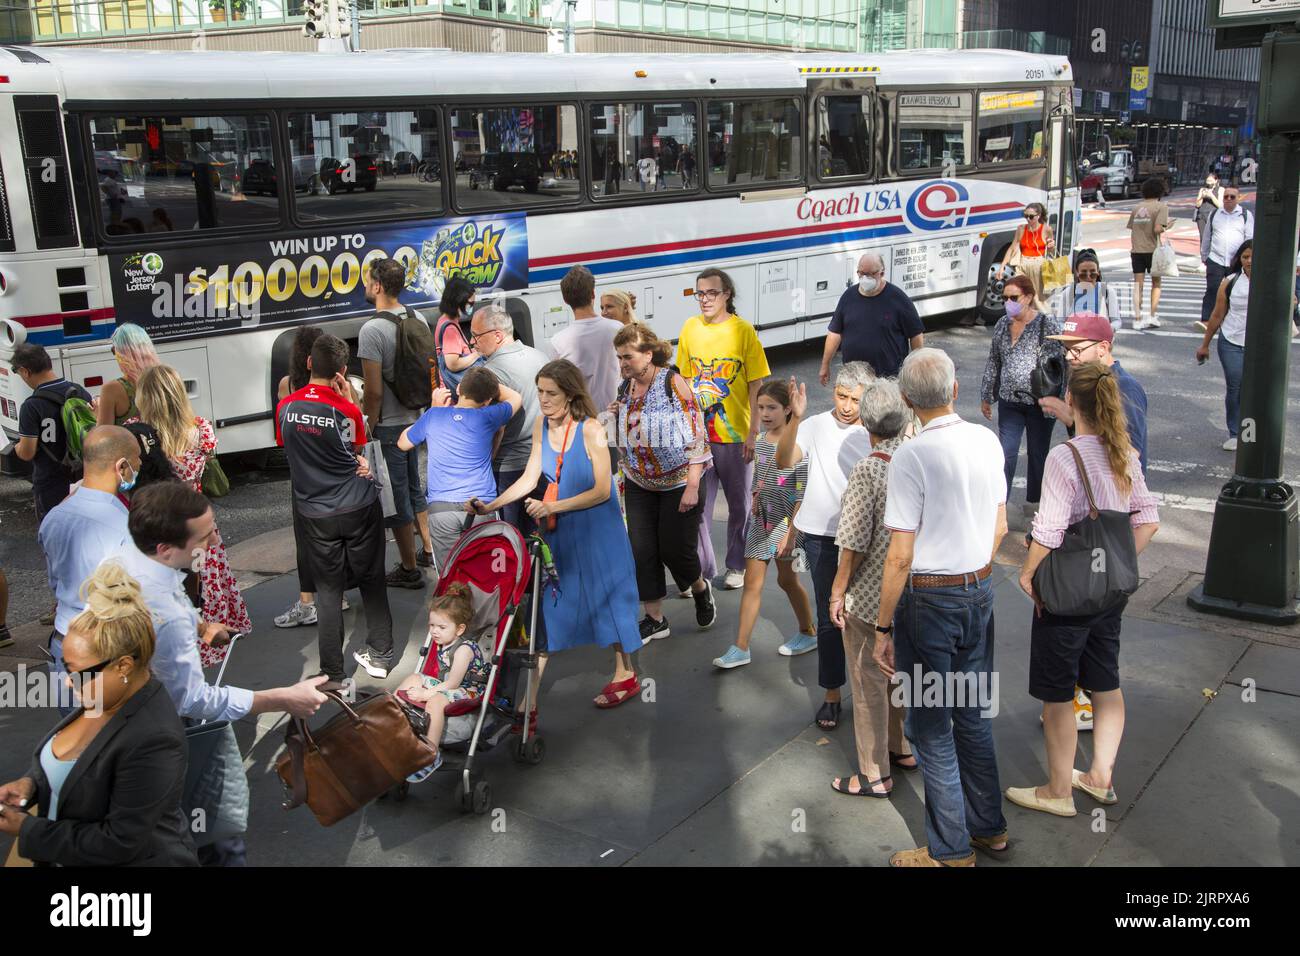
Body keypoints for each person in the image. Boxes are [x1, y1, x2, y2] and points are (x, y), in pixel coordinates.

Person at [115, 481, 329, 867]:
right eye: (205, 535)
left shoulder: (128, 557)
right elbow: (193, 699)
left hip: (129, 729)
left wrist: (201, 625)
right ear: (165, 548)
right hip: (161, 737)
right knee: (213, 831)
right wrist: (283, 697)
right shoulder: (168, 613)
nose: (216, 541)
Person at [873, 348, 1009, 867]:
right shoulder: (986, 439)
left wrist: (884, 625)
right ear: (954, 391)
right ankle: (988, 828)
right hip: (978, 590)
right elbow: (999, 527)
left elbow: (899, 556)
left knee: (931, 727)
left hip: (929, 601)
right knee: (972, 715)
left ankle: (950, 850)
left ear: (907, 401)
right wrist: (973, 572)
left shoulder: (911, 456)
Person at [1008, 362, 1160, 819]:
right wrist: (1117, 564)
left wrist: (1027, 572)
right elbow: (1148, 520)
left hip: (1068, 595)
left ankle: (1058, 790)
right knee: (1105, 683)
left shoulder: (1065, 456)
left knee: (1058, 695)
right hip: (1109, 595)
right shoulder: (1124, 453)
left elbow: (1050, 530)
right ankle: (1099, 777)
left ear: (1070, 401)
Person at [470, 360, 644, 707]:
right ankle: (528, 703)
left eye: (552, 393)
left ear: (570, 393)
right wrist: (491, 506)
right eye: (540, 393)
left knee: (609, 601)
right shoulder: (539, 425)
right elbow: (531, 477)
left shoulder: (592, 428)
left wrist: (552, 508)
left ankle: (626, 673)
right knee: (553, 609)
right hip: (560, 531)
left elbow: (601, 491)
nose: (544, 399)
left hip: (598, 530)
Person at [0, 562, 198, 867]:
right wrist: (32, 785)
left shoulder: (155, 738)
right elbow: (74, 768)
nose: (68, 681)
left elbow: (119, 843)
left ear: (122, 666)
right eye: (65, 667)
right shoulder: (103, 694)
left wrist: (27, 828)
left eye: (75, 671)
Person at [277, 333, 395, 683]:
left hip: (315, 511)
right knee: (372, 579)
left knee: (328, 590)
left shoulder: (287, 406)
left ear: (310, 363)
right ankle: (381, 652)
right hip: (358, 506)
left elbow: (287, 445)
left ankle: (331, 669)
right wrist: (351, 400)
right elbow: (360, 448)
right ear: (343, 370)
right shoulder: (346, 409)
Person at [775, 363, 875, 729]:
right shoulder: (815, 425)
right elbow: (784, 460)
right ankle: (832, 694)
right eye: (841, 396)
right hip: (820, 536)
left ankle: (869, 693)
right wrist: (794, 420)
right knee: (829, 616)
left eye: (856, 399)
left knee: (866, 618)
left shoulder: (878, 431)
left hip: (865, 538)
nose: (847, 406)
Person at [828, 377, 916, 796]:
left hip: (869, 595)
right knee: (898, 672)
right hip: (912, 590)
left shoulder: (869, 468)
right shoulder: (916, 459)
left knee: (866, 683)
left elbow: (853, 543)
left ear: (866, 423)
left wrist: (837, 590)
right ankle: (902, 748)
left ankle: (873, 773)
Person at [135, 364, 250, 668]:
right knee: (199, 578)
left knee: (164, 583)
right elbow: (208, 459)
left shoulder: (140, 433)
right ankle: (207, 629)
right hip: (197, 522)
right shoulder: (201, 428)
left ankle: (172, 638)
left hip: (159, 522)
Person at [612, 322, 716, 645]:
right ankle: (655, 619)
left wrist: (693, 486)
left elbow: (698, 437)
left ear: (648, 354)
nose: (623, 363)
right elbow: (623, 434)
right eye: (619, 357)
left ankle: (699, 587)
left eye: (628, 356)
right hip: (640, 482)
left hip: (678, 482)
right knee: (642, 550)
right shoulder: (624, 388)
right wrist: (615, 417)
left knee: (676, 551)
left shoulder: (674, 383)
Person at [678, 267, 771, 590]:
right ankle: (703, 570)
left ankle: (736, 564)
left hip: (735, 436)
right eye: (699, 293)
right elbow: (686, 382)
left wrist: (753, 432)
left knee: (740, 505)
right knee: (698, 507)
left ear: (727, 295)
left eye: (711, 293)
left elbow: (757, 383)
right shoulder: (690, 328)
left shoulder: (743, 331)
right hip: (700, 437)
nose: (704, 299)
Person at [711, 380, 813, 670]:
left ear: (788, 409)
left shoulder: (796, 445)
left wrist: (791, 534)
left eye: (772, 407)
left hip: (785, 524)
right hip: (761, 521)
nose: (765, 413)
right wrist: (755, 495)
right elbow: (761, 475)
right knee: (752, 585)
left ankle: (808, 631)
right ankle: (740, 648)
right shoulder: (764, 439)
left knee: (787, 580)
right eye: (760, 407)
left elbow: (801, 492)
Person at [38, 426, 139, 712]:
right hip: (106, 650)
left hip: (64, 643)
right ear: (121, 466)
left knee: (77, 743)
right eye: (137, 462)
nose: (139, 468)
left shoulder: (54, 516)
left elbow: (55, 579)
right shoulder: (122, 525)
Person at [398, 366, 522, 572]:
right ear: (488, 400)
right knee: (485, 577)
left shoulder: (433, 416)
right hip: (481, 504)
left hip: (441, 509)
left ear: (458, 391)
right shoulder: (489, 416)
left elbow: (403, 443)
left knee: (450, 579)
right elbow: (516, 397)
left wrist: (434, 408)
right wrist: (487, 387)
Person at [358, 257, 432, 589]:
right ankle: (428, 549)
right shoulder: (419, 319)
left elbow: (372, 391)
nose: (364, 286)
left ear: (377, 286)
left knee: (395, 497)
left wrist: (369, 426)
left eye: (366, 281)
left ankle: (408, 568)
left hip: (388, 426)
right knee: (416, 489)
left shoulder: (372, 330)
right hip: (416, 419)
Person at [273, 325, 348, 629]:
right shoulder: (338, 386)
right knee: (335, 537)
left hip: (303, 474)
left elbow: (282, 437)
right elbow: (352, 429)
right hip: (335, 473)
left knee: (305, 539)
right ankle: (337, 595)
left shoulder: (287, 386)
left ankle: (307, 603)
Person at [980, 274, 1063, 519]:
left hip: (1040, 403)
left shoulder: (1046, 324)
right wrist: (987, 395)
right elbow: (994, 361)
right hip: (1010, 401)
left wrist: (1062, 398)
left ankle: (1035, 507)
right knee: (1006, 453)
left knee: (1038, 454)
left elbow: (1060, 364)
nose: (1008, 302)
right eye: (1005, 297)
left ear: (1028, 297)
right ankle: (1000, 506)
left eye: (1014, 298)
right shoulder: (1002, 325)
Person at [395, 583, 492, 777]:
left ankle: (431, 752)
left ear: (459, 629)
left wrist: (426, 693)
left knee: (436, 700)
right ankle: (389, 718)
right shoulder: (444, 642)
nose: (434, 631)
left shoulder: (464, 649)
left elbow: (453, 684)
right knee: (414, 677)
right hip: (449, 684)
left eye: (441, 627)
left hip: (468, 689)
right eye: (432, 625)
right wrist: (423, 686)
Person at [470, 304, 549, 534]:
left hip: (509, 467)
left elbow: (496, 429)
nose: (473, 342)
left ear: (497, 335)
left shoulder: (491, 372)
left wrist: (485, 463)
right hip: (543, 461)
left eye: (476, 336)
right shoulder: (540, 356)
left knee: (515, 541)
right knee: (545, 536)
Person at [1043, 312, 1149, 474]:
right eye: (1066, 349)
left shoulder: (1126, 387)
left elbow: (1130, 454)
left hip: (1114, 492)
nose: (1069, 356)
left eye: (1077, 350)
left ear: (1103, 348)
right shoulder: (1083, 381)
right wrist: (1072, 420)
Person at [11, 342, 92, 523]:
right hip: (84, 476)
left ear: (25, 371)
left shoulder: (32, 406)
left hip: (50, 482)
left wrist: (16, 447)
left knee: (54, 533)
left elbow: (27, 452)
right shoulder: (78, 390)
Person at [819, 252, 924, 385]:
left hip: (886, 380)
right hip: (854, 377)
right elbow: (835, 332)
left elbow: (916, 334)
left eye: (870, 274)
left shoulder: (897, 298)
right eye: (861, 273)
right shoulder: (848, 297)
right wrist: (825, 364)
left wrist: (916, 368)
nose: (865, 278)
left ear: (882, 273)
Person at [1196, 240, 1252, 452]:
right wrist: (1205, 345)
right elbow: (1218, 314)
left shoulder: (1269, 279)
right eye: (1245, 256)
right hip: (1231, 341)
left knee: (1253, 389)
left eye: (1253, 256)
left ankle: (1252, 431)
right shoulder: (1230, 281)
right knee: (1235, 386)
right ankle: (1236, 433)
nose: (1249, 261)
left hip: (1258, 345)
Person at [551, 266, 623, 411]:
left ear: (565, 300)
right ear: (593, 294)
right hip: (616, 414)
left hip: (583, 420)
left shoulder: (558, 341)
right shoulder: (617, 329)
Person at [1198, 184, 1254, 332]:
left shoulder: (1245, 215)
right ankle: (1206, 320)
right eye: (1226, 197)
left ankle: (1226, 320)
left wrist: (1245, 259)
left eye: (1232, 197)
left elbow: (1249, 239)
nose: (1228, 199)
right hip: (1216, 258)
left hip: (1235, 261)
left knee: (1232, 291)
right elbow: (1207, 236)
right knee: (1212, 289)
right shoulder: (1215, 214)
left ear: (1238, 198)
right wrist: (1204, 255)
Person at [1126, 178, 1171, 330]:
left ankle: (1137, 318)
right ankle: (1152, 315)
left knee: (1138, 285)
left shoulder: (1137, 207)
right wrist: (1167, 226)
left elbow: (1132, 227)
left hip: (1137, 250)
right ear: (1160, 191)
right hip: (1153, 250)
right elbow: (1157, 229)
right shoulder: (1161, 207)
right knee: (1156, 283)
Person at [95, 323, 160, 427]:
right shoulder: (165, 379)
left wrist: (98, 415)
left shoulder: (111, 389)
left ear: (121, 353)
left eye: (114, 350)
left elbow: (103, 437)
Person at [1046, 249, 1123, 334]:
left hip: (1100, 342)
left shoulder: (1108, 291)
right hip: (1073, 342)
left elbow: (1116, 321)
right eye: (1083, 273)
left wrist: (1107, 329)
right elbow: (1060, 322)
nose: (1088, 277)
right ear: (1077, 273)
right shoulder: (1068, 293)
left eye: (1093, 273)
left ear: (1098, 273)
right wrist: (1072, 330)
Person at [432, 276, 483, 398]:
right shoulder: (450, 329)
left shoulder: (445, 320)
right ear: (458, 301)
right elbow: (453, 364)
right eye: (470, 303)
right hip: (456, 393)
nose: (471, 306)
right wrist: (477, 354)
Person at [995, 202, 1055, 306]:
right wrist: (1002, 266)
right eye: (1026, 216)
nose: (1028, 219)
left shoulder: (1046, 229)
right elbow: (1012, 248)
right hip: (1022, 264)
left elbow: (1051, 252)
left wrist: (1051, 246)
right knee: (1021, 295)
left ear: (1038, 216)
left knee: (1039, 300)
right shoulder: (1021, 229)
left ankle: (1042, 319)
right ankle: (1022, 317)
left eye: (1031, 216)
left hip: (1039, 266)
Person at [1195, 171, 1224, 253]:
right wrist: (1202, 197)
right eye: (1207, 181)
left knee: (1213, 237)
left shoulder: (1221, 190)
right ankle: (1203, 259)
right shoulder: (1202, 189)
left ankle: (1213, 255)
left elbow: (1220, 205)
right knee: (1203, 237)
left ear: (1216, 180)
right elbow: (1197, 205)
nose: (1209, 183)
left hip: (1214, 215)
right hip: (1202, 215)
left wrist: (1211, 196)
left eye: (1211, 181)